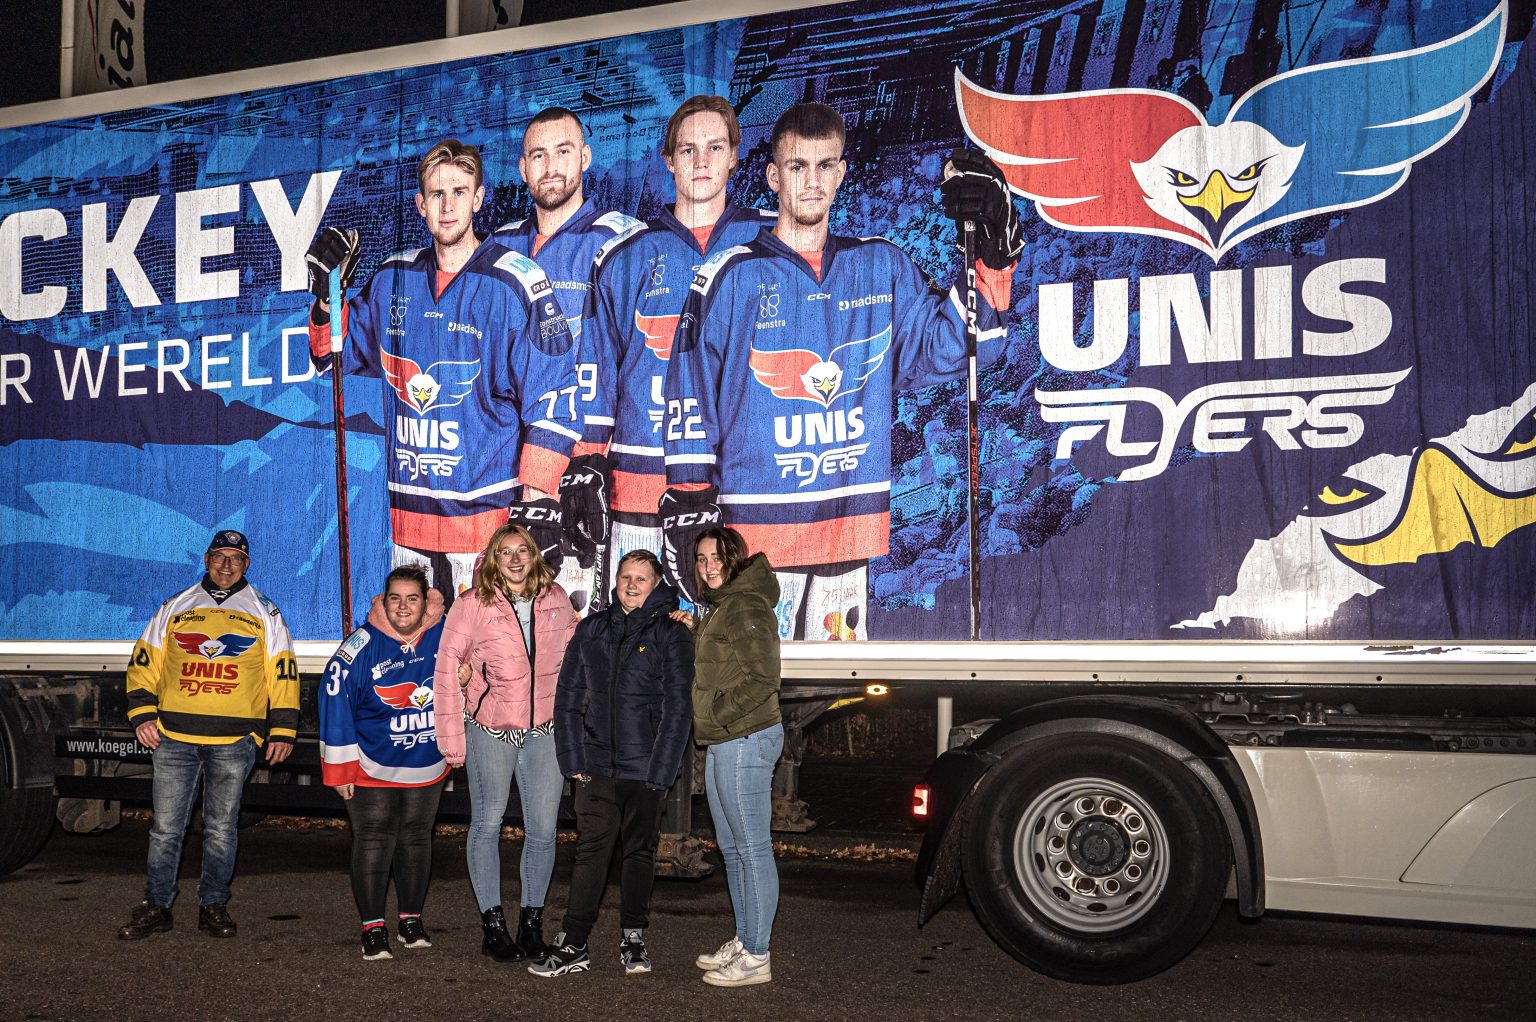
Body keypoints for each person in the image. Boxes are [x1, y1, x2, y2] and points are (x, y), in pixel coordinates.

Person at [660, 101, 1023, 638]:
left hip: (845, 542)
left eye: (825, 165)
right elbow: (688, 394)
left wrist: (993, 254)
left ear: (842, 172)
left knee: (831, 701)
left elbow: (962, 348)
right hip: (754, 544)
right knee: (744, 700)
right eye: (797, 166)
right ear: (772, 175)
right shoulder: (726, 277)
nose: (811, 181)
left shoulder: (880, 265)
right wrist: (689, 500)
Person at [304, 138, 575, 598]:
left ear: (479, 198)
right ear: (420, 205)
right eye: (436, 194)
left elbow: (553, 392)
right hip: (410, 524)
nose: (448, 206)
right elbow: (332, 358)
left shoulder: (518, 281)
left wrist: (539, 499)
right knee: (420, 658)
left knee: (488, 659)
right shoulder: (394, 277)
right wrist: (326, 297)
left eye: (459, 192)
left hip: (487, 522)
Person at [558, 95, 776, 606]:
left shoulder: (772, 241)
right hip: (640, 492)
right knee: (635, 650)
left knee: (728, 655)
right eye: (688, 149)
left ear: (734, 156)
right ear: (669, 160)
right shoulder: (624, 255)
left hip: (739, 492)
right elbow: (596, 371)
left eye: (714, 147)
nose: (701, 161)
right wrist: (587, 461)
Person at [117, 530, 298, 941]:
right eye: (220, 557)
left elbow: (283, 674)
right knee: (165, 829)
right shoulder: (176, 605)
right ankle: (156, 906)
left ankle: (213, 905)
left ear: (247, 564)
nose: (227, 565)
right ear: (206, 558)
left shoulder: (265, 612)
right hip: (173, 738)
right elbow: (143, 661)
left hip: (233, 743)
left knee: (221, 828)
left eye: (236, 559)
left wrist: (282, 729)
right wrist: (142, 715)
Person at [492, 106, 639, 611]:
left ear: (586, 158)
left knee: (581, 629)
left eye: (563, 152)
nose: (551, 166)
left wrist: (605, 457)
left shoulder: (624, 239)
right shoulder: (496, 250)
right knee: (509, 631)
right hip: (513, 474)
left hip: (588, 471)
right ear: (522, 168)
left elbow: (646, 361)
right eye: (538, 155)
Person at [531, 549, 694, 977]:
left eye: (642, 578)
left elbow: (678, 709)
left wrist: (662, 771)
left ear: (656, 584)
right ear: (615, 581)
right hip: (595, 766)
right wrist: (572, 759)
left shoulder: (671, 634)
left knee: (639, 854)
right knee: (590, 853)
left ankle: (633, 937)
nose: (632, 585)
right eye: (626, 577)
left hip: (646, 770)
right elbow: (567, 700)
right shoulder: (591, 629)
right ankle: (574, 943)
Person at [433, 523, 577, 962]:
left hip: (545, 733)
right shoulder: (471, 604)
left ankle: (531, 925)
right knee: (488, 824)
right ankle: (493, 926)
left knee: (542, 831)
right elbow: (446, 668)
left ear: (534, 555)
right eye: (505, 552)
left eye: (522, 551)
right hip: (491, 728)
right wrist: (452, 741)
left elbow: (579, 659)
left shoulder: (556, 600)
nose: (515, 559)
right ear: (494, 559)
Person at [318, 565, 451, 960]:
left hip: (427, 760)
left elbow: (477, 674)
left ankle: (411, 919)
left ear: (426, 602)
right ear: (383, 600)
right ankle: (373, 927)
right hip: (370, 763)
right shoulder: (360, 645)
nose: (403, 606)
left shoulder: (447, 635)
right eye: (395, 598)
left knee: (416, 837)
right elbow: (333, 699)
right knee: (374, 837)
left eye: (413, 598)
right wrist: (340, 769)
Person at [687, 526, 783, 987]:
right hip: (726, 739)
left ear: (735, 559)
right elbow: (723, 666)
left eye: (717, 557)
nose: (709, 566)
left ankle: (758, 956)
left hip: (745, 736)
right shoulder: (723, 607)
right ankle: (746, 939)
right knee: (732, 849)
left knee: (752, 849)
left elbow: (764, 678)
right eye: (701, 558)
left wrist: (720, 713)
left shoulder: (745, 604)